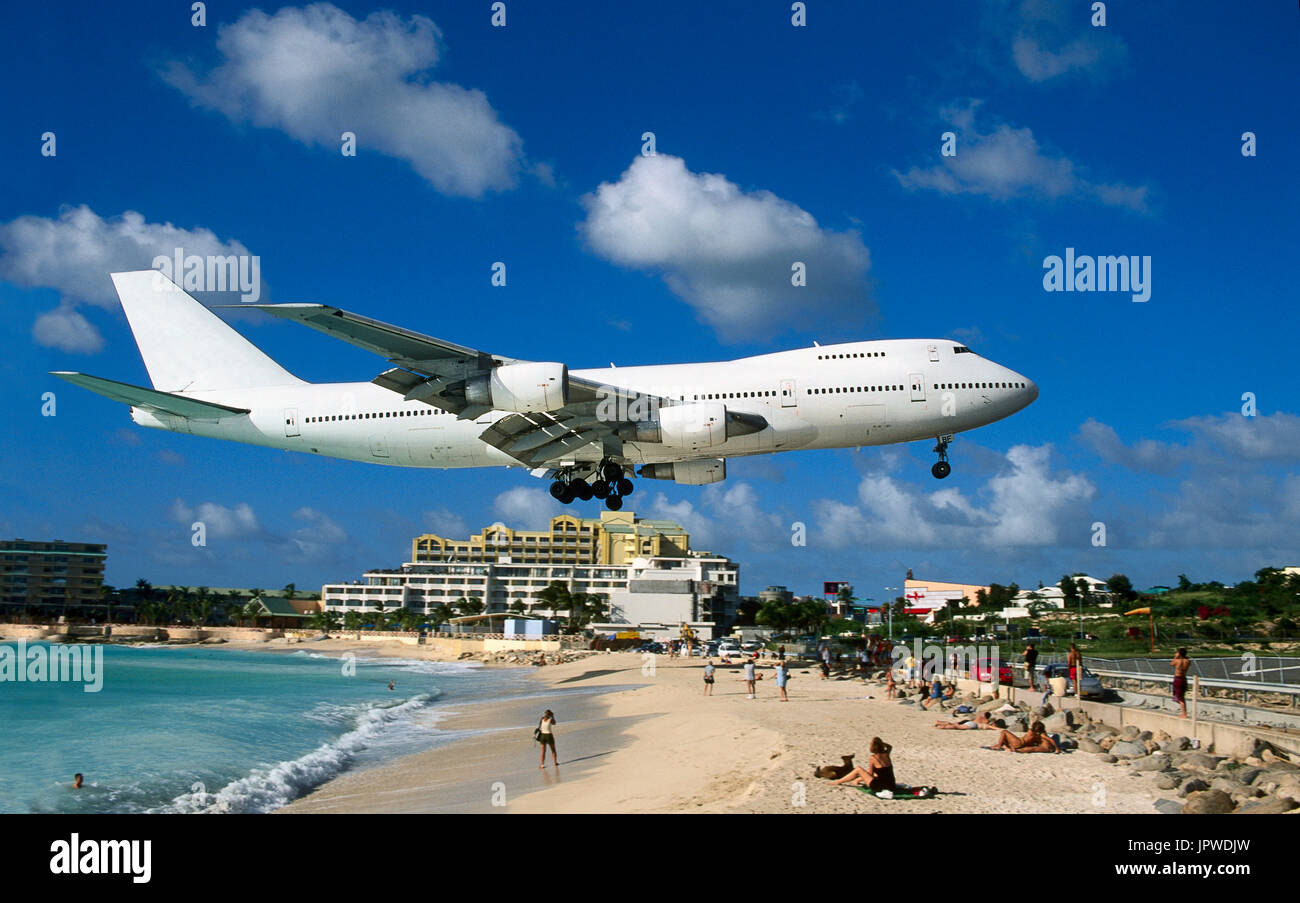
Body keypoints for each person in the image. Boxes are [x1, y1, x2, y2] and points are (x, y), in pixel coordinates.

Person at [831, 737, 896, 791]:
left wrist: (859, 778)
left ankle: (838, 782)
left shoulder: (873, 758)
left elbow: (870, 774)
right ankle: (855, 781)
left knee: (858, 769)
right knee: (877, 774)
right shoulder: (886, 754)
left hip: (879, 787)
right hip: (891, 785)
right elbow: (890, 746)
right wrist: (880, 743)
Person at [987, 720, 1059, 753]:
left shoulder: (1034, 732)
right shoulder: (1037, 734)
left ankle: (998, 746)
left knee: (1004, 732)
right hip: (1020, 743)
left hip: (1019, 742)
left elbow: (1050, 740)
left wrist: (1057, 749)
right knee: (1005, 740)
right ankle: (998, 746)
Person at [1171, 648, 1191, 718]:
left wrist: (1176, 657)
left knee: (1180, 697)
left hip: (1178, 679)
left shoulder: (1177, 661)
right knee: (1182, 696)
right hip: (1184, 678)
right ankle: (1184, 712)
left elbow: (1171, 663)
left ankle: (1184, 713)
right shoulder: (1188, 661)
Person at [933, 711, 997, 730]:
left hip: (967, 721)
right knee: (954, 725)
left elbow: (973, 718)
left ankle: (939, 722)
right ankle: (940, 725)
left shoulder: (980, 716)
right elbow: (987, 725)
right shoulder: (986, 721)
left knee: (952, 723)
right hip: (970, 723)